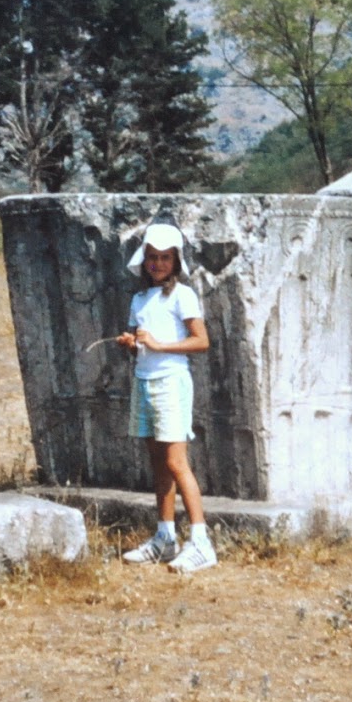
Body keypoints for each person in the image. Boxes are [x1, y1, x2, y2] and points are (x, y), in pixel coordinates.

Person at [116, 222, 215, 574]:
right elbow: (142, 345)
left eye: (165, 258)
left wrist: (160, 345)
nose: (157, 264)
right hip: (144, 382)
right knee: (158, 463)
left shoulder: (183, 295)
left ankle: (201, 543)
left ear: (176, 261)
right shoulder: (140, 299)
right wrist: (133, 344)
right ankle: (165, 538)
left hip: (172, 382)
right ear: (143, 261)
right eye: (152, 257)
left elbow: (201, 342)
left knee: (176, 462)